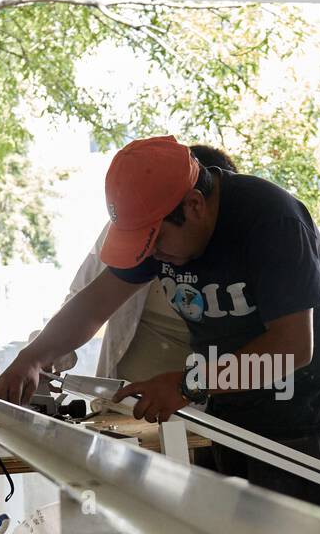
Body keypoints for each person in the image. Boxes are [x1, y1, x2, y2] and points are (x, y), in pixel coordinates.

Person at [0, 135, 320, 509]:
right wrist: (32, 357)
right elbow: (95, 303)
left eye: (157, 242)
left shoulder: (272, 222)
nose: (153, 255)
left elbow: (290, 348)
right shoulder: (161, 230)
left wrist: (187, 384)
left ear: (194, 205)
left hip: (296, 421)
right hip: (223, 414)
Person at [44, 145, 237, 382]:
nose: (152, 251)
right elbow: (82, 300)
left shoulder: (247, 251)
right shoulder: (129, 229)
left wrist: (184, 388)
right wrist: (41, 356)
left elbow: (280, 351)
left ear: (199, 208)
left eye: (160, 239)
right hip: (118, 402)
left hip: (196, 409)